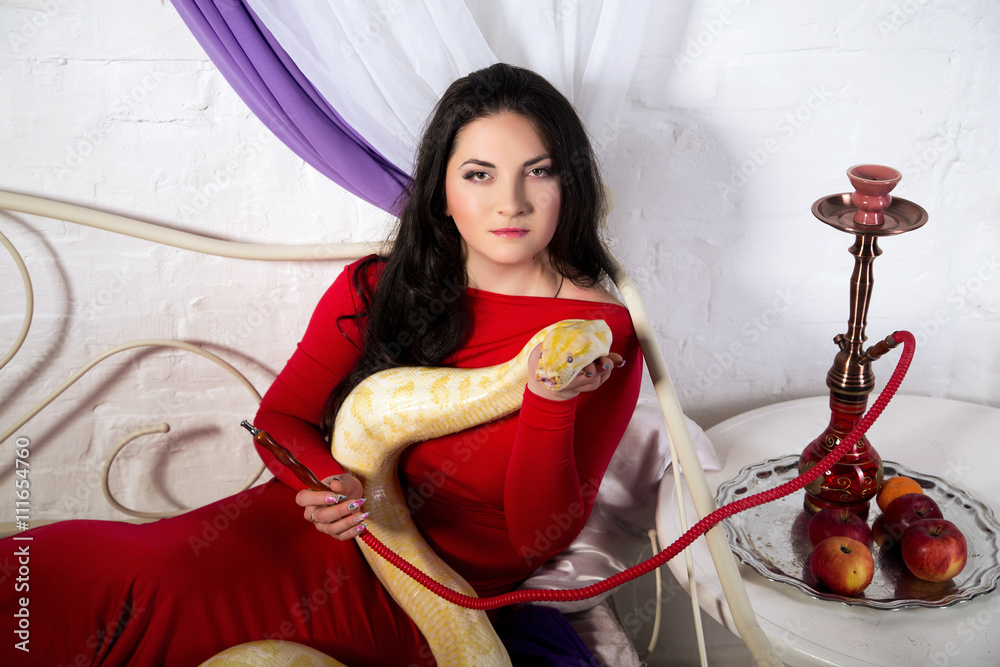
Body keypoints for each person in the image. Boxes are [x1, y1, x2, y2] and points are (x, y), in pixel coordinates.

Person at [0, 62, 642, 666]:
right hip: (310, 529)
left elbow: (535, 541)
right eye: (479, 174)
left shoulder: (594, 334)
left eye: (538, 171)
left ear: (570, 184)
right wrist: (332, 483)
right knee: (71, 572)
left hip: (414, 590)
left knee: (152, 620)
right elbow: (280, 417)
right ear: (442, 192)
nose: (511, 203)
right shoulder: (379, 284)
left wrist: (550, 402)